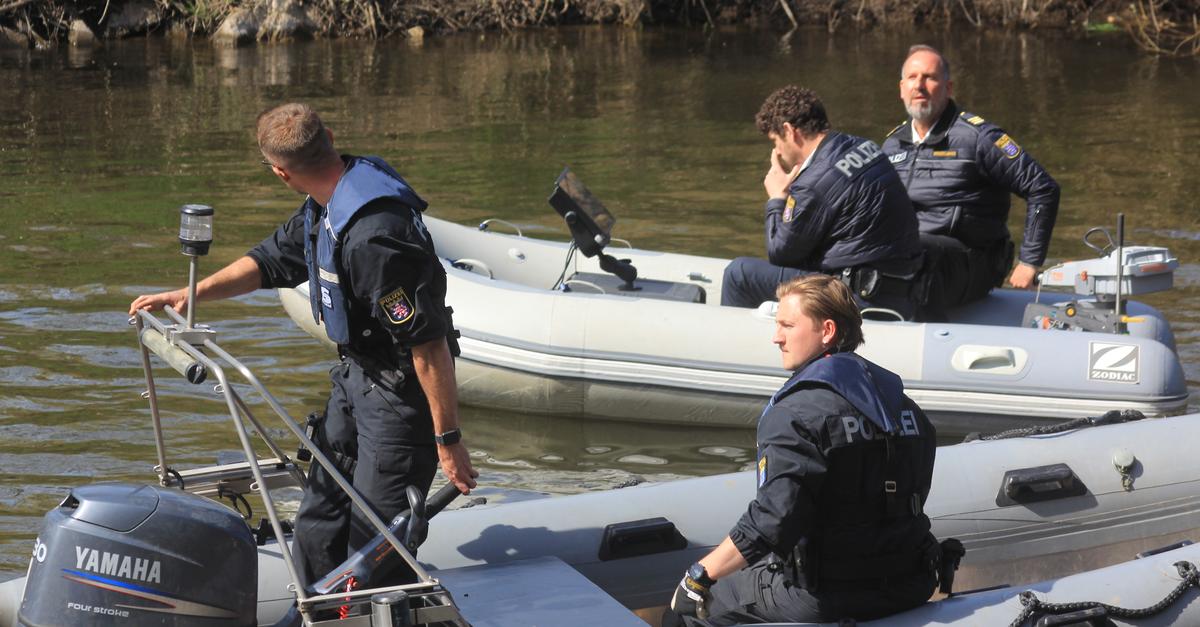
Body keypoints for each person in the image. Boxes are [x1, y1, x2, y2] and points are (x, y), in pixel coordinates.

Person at [128, 103, 477, 588]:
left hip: (400, 400)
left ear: (279, 172)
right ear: (330, 137)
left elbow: (429, 345)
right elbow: (269, 261)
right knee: (317, 521)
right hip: (357, 378)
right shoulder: (325, 205)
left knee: (374, 546)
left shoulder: (375, 236)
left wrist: (448, 442)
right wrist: (191, 295)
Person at [666, 274, 939, 626]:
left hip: (825, 596)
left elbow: (771, 522)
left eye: (787, 325)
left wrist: (698, 577)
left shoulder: (795, 414)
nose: (776, 337)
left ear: (826, 330)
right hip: (910, 582)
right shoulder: (907, 409)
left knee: (685, 611)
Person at [881, 44, 1060, 314]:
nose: (919, 86)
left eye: (929, 77)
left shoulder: (978, 138)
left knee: (917, 252)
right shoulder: (892, 145)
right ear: (901, 88)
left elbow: (1042, 188)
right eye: (912, 78)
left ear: (949, 87)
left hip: (973, 258)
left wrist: (1029, 262)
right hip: (912, 254)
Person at [721, 85, 924, 320]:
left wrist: (777, 198)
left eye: (775, 141)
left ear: (789, 131)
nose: (776, 151)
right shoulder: (864, 146)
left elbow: (780, 254)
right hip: (899, 289)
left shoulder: (814, 181)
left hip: (857, 299)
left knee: (739, 275)